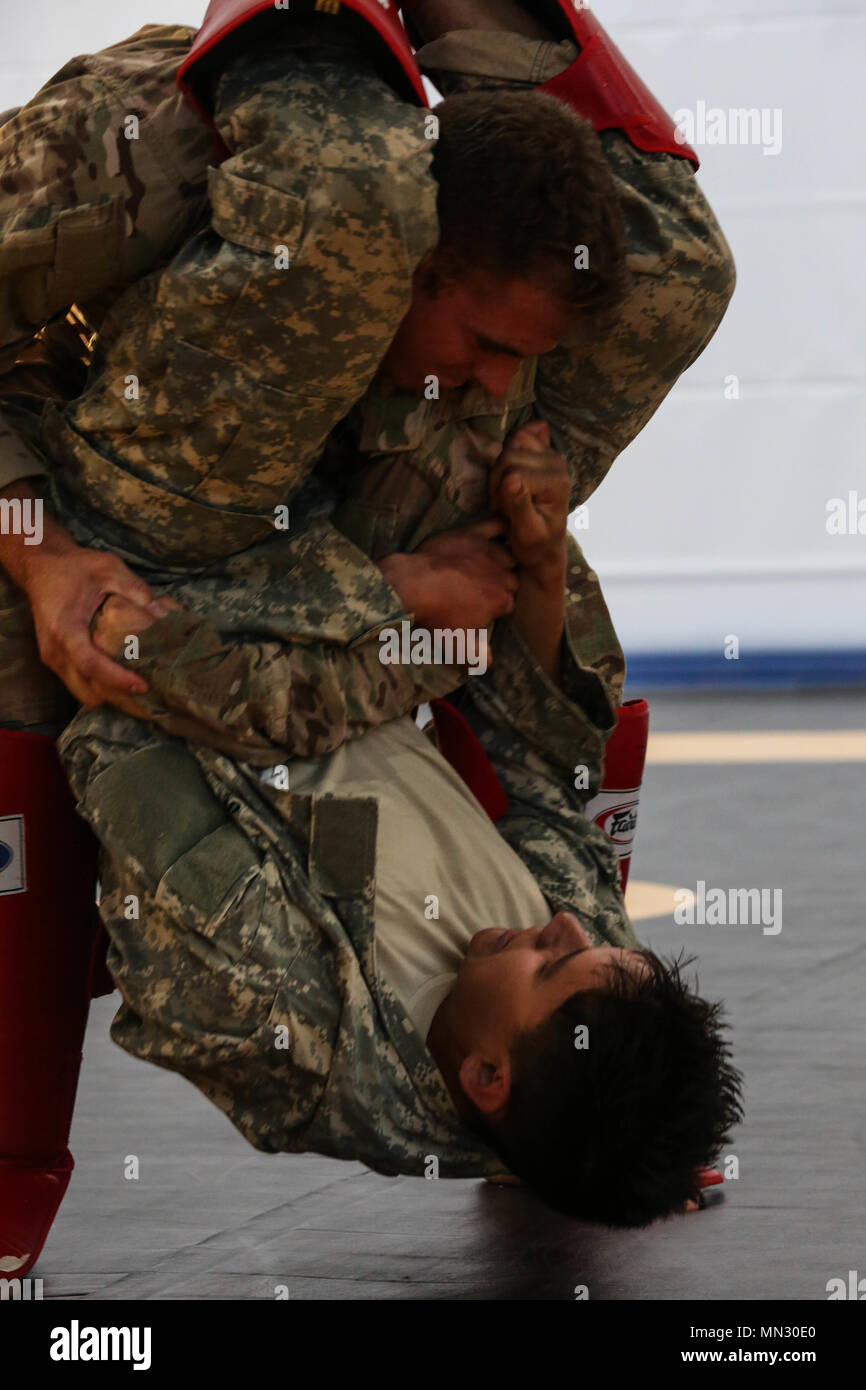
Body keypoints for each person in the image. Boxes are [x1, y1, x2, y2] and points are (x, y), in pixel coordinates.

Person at [0, 0, 737, 1271]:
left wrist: (397, 609)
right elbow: (546, 759)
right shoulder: (558, 987)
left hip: (174, 553)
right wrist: (531, 578)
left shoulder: (298, 1015)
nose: (578, 930)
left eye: (567, 967)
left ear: (491, 1080)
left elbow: (152, 692)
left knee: (342, 209)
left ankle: (305, 37)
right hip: (350, 561)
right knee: (674, 271)